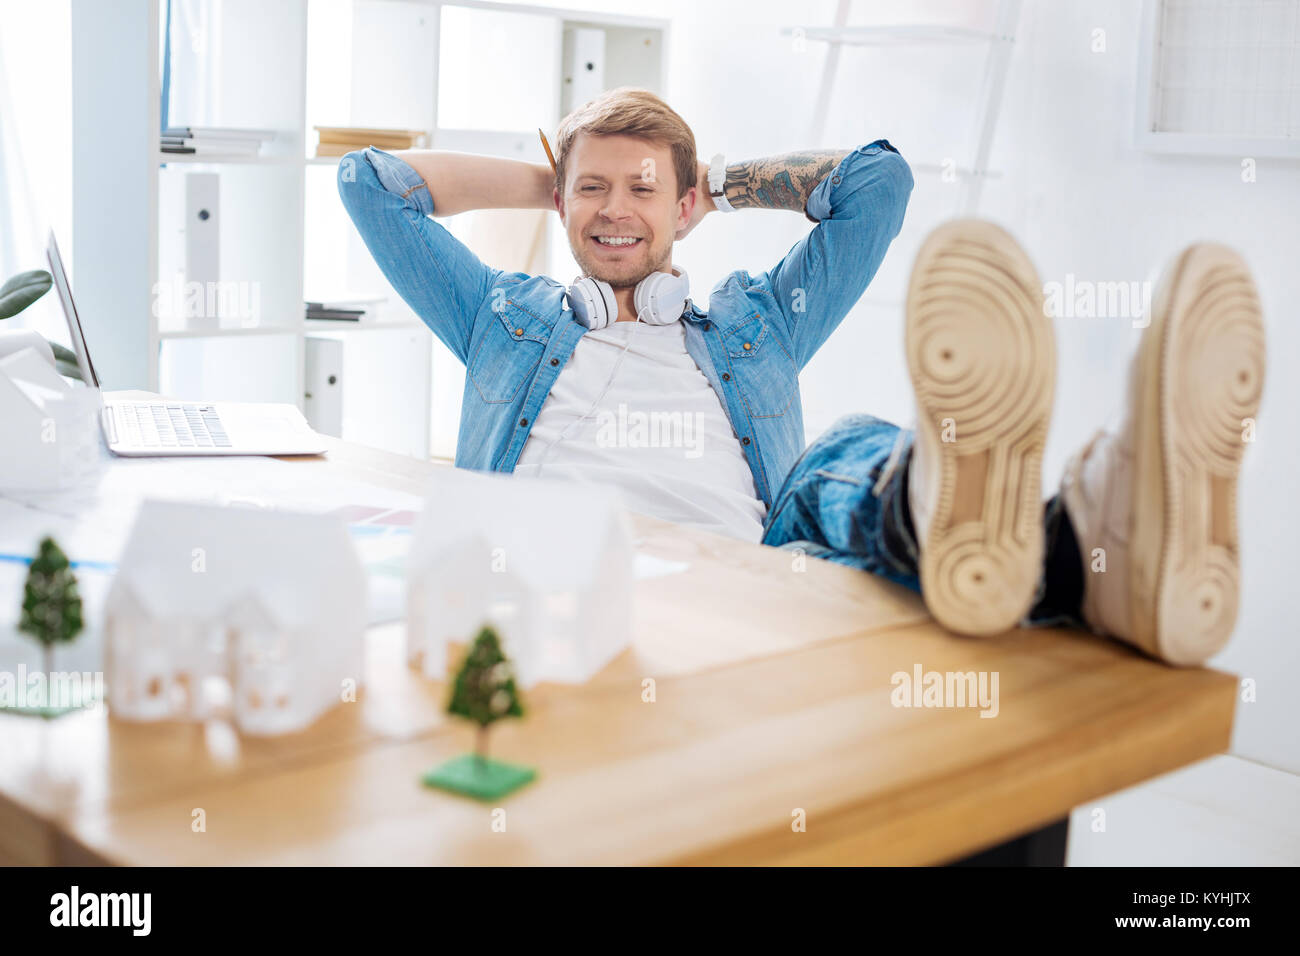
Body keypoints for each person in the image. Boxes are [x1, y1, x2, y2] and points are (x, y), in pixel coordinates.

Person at [339, 87, 1265, 667]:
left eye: (644, 189)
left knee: (843, 459)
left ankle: (1089, 538)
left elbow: (877, 185)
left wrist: (723, 182)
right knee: (873, 519)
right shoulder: (504, 318)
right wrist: (552, 176)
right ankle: (1081, 543)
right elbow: (369, 186)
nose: (615, 211)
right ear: (564, 202)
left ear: (684, 203)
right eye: (592, 191)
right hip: (552, 575)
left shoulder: (753, 322)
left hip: (754, 572)